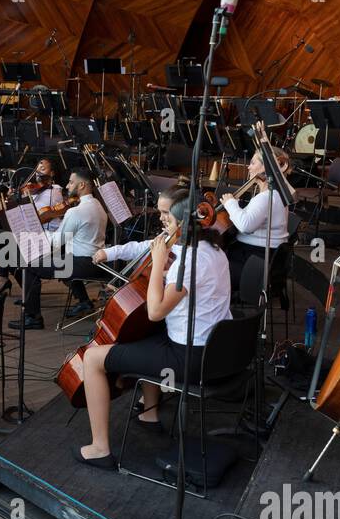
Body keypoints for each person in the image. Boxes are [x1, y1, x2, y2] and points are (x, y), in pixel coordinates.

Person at [78, 183, 232, 467]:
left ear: (183, 220)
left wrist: (158, 265)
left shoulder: (188, 259)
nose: (161, 220)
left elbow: (155, 311)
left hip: (191, 358)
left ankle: (100, 447)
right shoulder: (213, 248)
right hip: (216, 350)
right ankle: (149, 414)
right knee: (148, 336)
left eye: (166, 215)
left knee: (93, 357)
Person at [12, 166, 106, 331]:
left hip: (82, 264)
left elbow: (56, 241)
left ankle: (33, 317)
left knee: (30, 265)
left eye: (71, 182)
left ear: (82, 185)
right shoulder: (98, 205)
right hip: (96, 261)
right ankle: (84, 301)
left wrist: (37, 231)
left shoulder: (76, 212)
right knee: (62, 257)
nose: (68, 186)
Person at [220, 145, 293, 291]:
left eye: (253, 163)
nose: (249, 167)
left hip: (254, 261)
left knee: (207, 268)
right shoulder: (277, 194)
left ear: (266, 167)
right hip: (261, 257)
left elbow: (245, 226)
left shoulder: (267, 197)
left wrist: (230, 203)